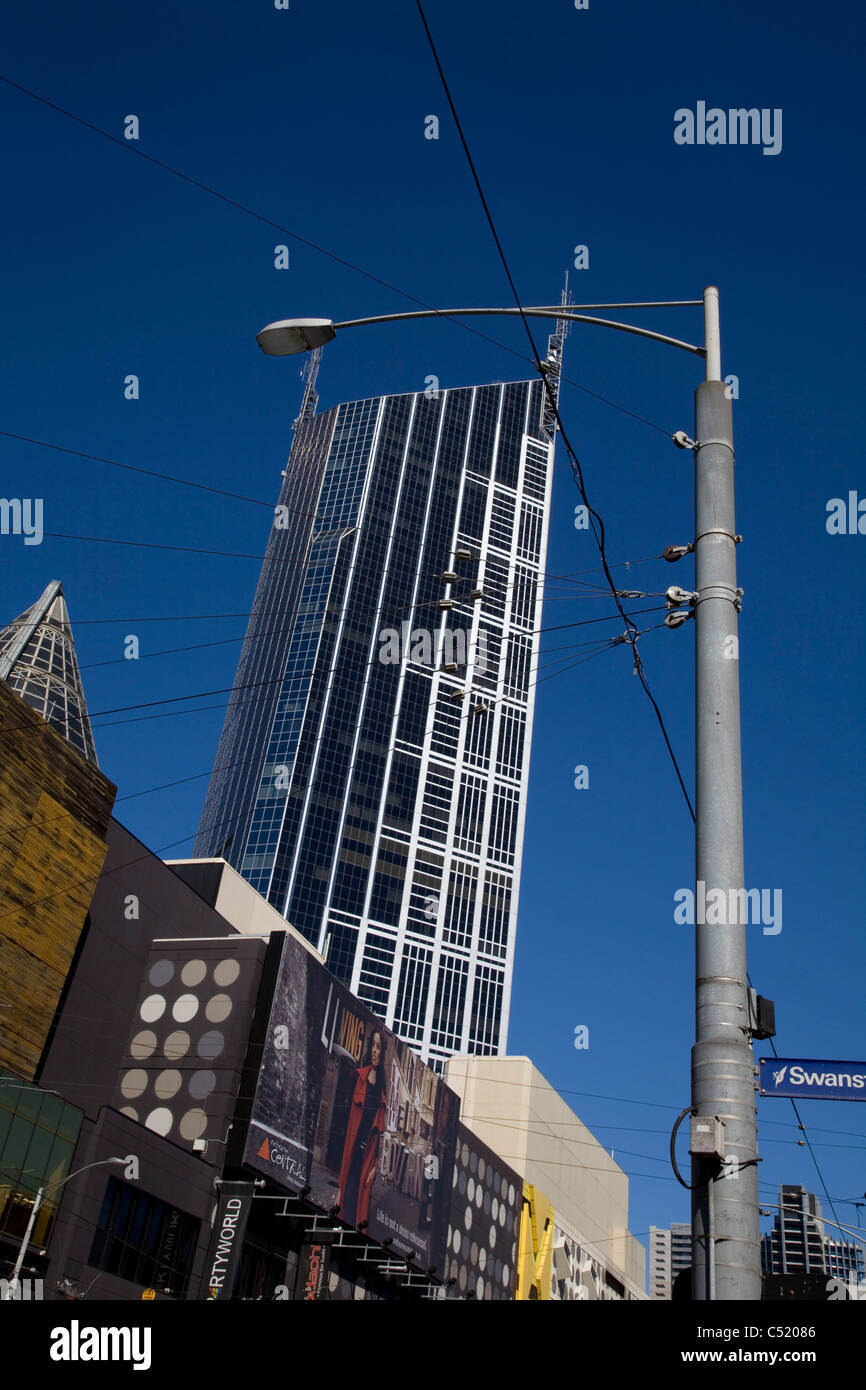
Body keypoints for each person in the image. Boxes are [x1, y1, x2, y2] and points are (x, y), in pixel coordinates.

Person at [337, 1027, 387, 1228]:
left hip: (367, 1159)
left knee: (361, 1213)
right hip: (353, 1154)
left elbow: (379, 1134)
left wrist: (376, 1165)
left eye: (379, 1047)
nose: (374, 1051)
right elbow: (347, 1124)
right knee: (346, 1206)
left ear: (383, 1053)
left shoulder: (382, 1090)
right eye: (373, 1046)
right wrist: (338, 1188)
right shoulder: (359, 1078)